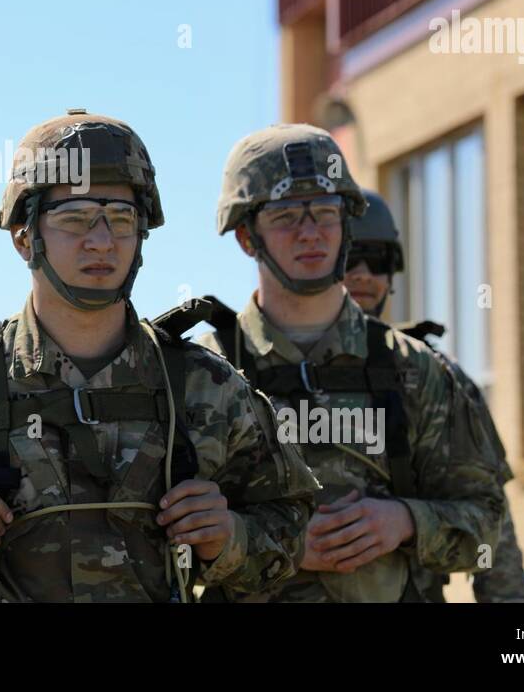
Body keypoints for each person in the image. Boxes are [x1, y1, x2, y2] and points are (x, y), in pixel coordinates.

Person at [0, 109, 317, 602]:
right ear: (24, 236)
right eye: (74, 218)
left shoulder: (205, 384)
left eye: (121, 219)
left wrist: (229, 537)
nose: (101, 241)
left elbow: (288, 519)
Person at [191, 123, 504, 602]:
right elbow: (150, 538)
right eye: (286, 217)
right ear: (247, 238)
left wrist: (405, 521)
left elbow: (486, 526)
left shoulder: (415, 371)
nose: (311, 233)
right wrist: (273, 545)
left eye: (325, 213)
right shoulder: (203, 376)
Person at [344, 188, 524, 602]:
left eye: (378, 261)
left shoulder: (430, 374)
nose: (363, 273)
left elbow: (494, 540)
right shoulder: (244, 365)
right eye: (351, 257)